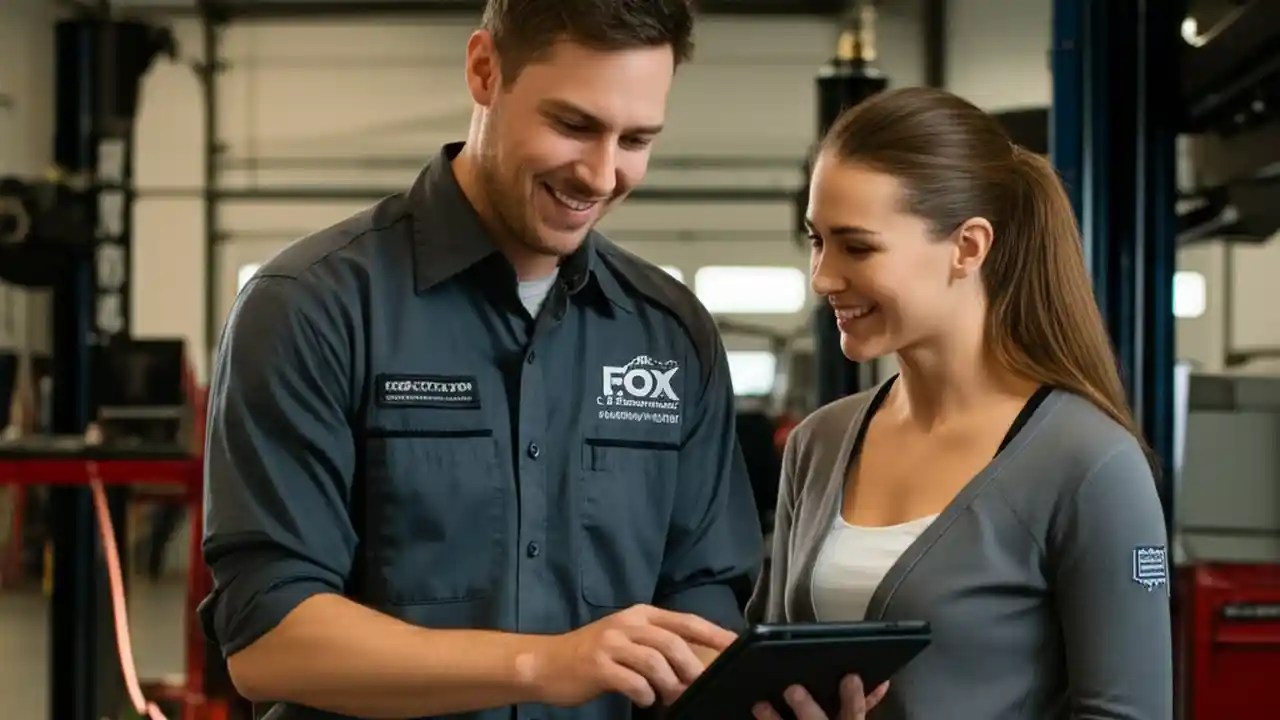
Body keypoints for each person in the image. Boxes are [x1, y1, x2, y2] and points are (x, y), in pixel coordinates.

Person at [197, 2, 765, 718]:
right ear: (484, 71)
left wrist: (765, 690)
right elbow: (268, 636)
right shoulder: (310, 309)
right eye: (574, 125)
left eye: (636, 139)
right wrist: (541, 663)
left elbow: (705, 603)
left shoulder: (670, 335)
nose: (600, 173)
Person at [746, 86, 1173, 720]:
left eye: (857, 246)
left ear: (968, 247)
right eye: (817, 241)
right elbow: (766, 675)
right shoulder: (819, 442)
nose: (823, 277)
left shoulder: (1088, 464)